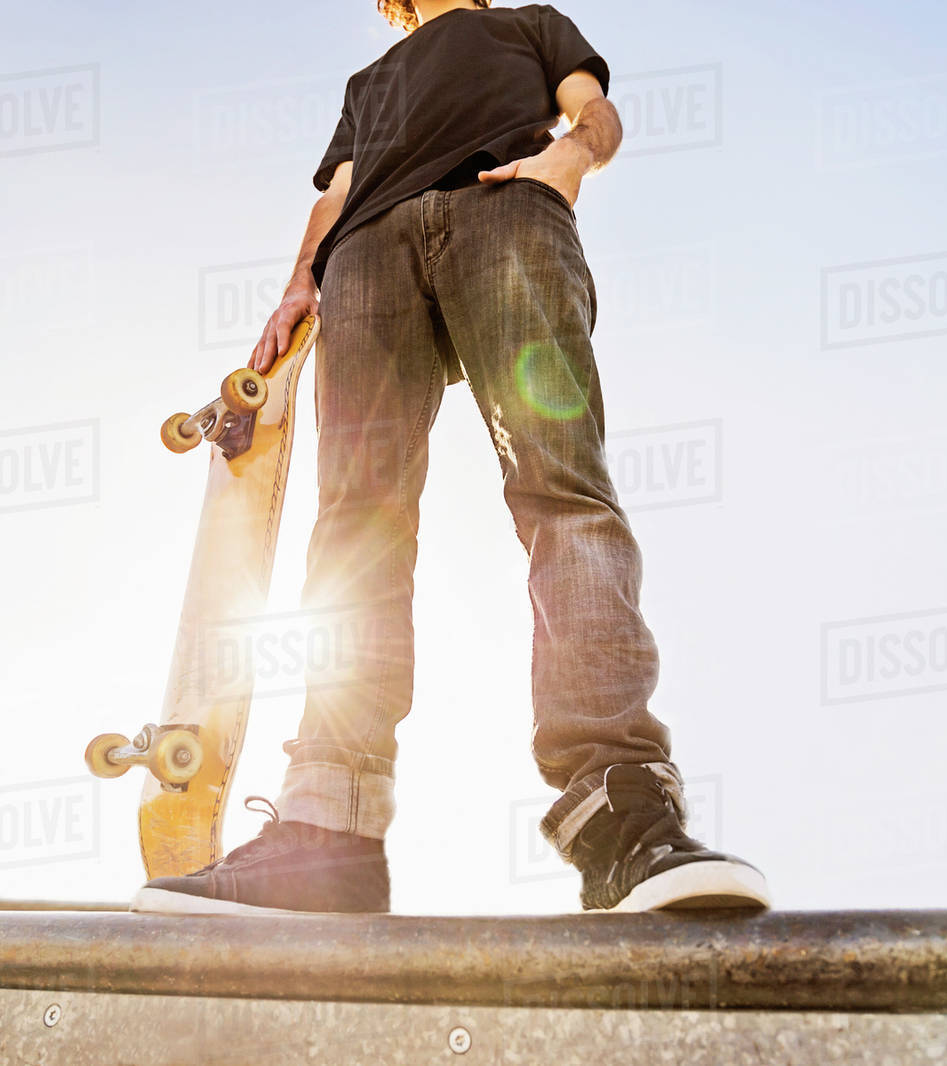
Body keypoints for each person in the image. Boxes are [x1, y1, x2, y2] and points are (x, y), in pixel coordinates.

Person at [132, 0, 769, 915]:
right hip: (368, 260)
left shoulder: (529, 23)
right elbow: (338, 191)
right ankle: (328, 830)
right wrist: (298, 283)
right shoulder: (369, 83)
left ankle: (619, 811)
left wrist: (565, 163)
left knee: (561, 486)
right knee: (355, 523)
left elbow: (595, 110)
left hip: (503, 211)